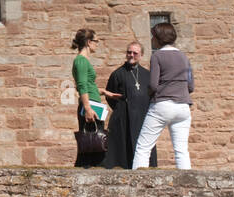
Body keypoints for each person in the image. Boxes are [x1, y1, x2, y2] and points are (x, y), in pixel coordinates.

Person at [132, 22, 193, 169]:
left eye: (153, 36)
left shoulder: (157, 56)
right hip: (184, 107)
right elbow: (191, 86)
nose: (152, 39)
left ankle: (137, 188)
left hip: (162, 105)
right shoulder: (184, 57)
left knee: (143, 148)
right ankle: (188, 188)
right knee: (181, 151)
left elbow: (153, 84)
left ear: (159, 38)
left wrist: (149, 93)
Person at [102, 42, 158, 169]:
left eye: (135, 53)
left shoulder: (147, 74)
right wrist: (123, 109)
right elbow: (110, 96)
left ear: (141, 55)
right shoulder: (117, 74)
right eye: (129, 52)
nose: (131, 55)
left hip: (144, 117)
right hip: (125, 118)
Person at [70, 29, 120, 167]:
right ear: (88, 42)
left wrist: (103, 92)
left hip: (93, 104)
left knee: (96, 142)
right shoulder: (81, 61)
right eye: (96, 41)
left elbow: (88, 85)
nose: (97, 44)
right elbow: (81, 85)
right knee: (92, 142)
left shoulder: (84, 61)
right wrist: (87, 108)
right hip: (90, 106)